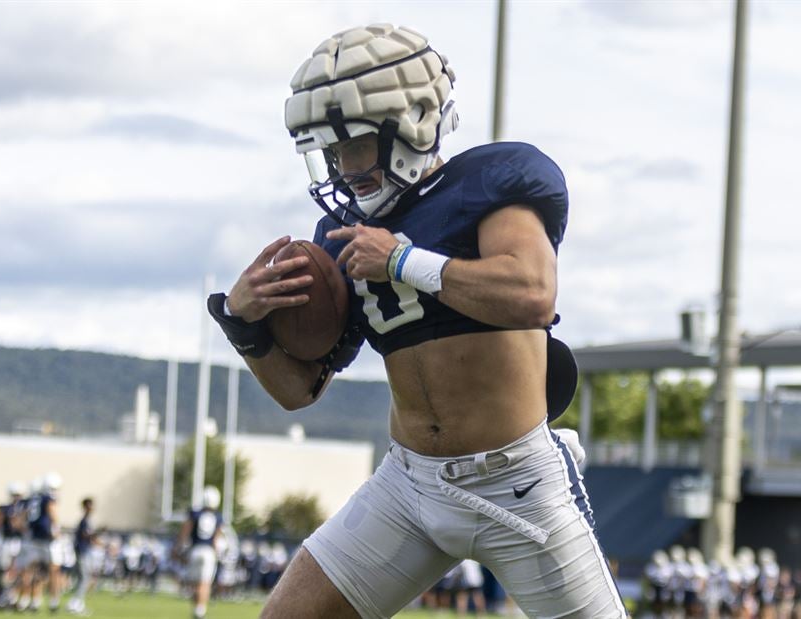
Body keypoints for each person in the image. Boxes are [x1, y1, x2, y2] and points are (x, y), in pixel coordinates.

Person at [209, 22, 620, 619]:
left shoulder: (492, 181)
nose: (343, 167)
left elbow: (531, 293)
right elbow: (300, 390)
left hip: (518, 484)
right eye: (330, 150)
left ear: (413, 121)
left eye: (355, 144)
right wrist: (244, 324)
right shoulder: (340, 235)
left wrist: (403, 260)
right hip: (406, 485)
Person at [20, 472, 63, 613]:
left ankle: (34, 601)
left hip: (33, 539)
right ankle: (53, 602)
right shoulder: (47, 499)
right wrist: (57, 530)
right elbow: (53, 514)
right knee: (54, 571)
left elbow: (24, 519)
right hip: (48, 540)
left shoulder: (32, 499)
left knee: (35, 571)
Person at [179, 486, 223, 619]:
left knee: (194, 583)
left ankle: (196, 610)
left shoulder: (194, 513)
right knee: (204, 583)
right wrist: (217, 554)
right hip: (208, 552)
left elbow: (185, 532)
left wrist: (180, 549)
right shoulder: (218, 517)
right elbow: (216, 539)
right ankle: (200, 610)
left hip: (195, 550)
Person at [66, 497, 99, 615]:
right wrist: (98, 533)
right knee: (84, 578)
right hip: (82, 552)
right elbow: (86, 536)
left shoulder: (87, 521)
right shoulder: (84, 521)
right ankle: (76, 603)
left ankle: (76, 602)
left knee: (83, 578)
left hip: (84, 552)